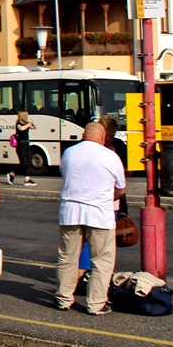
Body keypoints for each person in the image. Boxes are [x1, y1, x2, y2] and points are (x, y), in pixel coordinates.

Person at [55, 121, 127, 315]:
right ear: (103, 137)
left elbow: (65, 175)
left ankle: (63, 299)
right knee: (101, 260)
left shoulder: (69, 153)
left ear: (83, 135)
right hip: (99, 214)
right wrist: (105, 196)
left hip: (70, 212)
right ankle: (96, 304)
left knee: (67, 257)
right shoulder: (110, 156)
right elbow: (121, 188)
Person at [7, 110, 36, 186]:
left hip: (26, 144)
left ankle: (27, 179)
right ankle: (12, 173)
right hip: (21, 145)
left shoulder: (26, 124)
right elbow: (22, 129)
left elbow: (34, 127)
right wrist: (29, 123)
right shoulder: (18, 124)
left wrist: (31, 123)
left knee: (28, 161)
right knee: (23, 163)